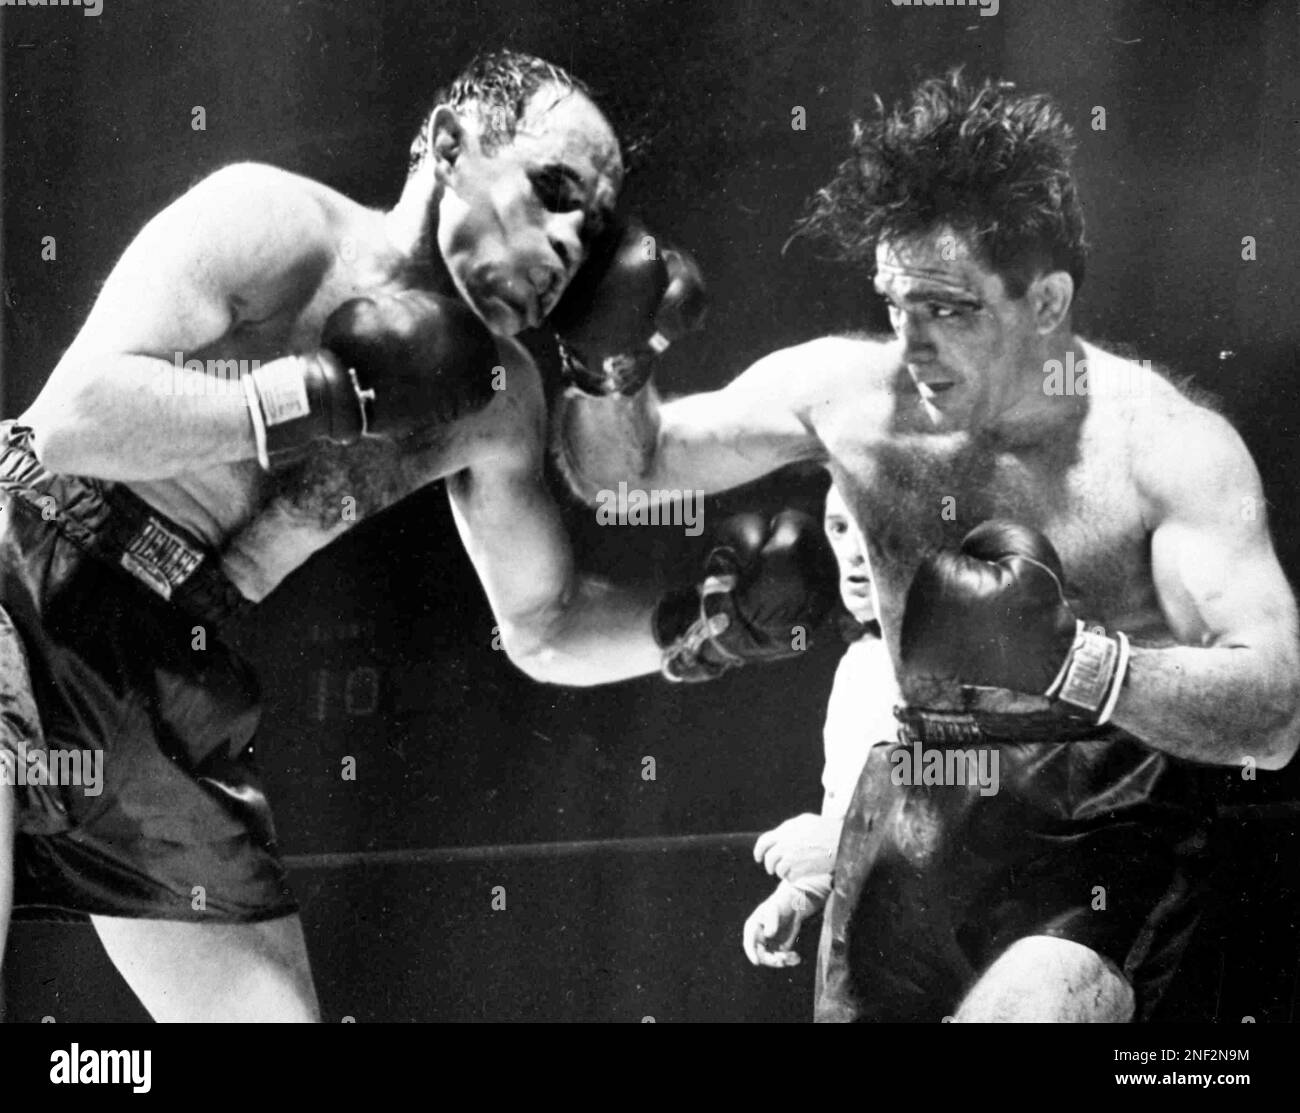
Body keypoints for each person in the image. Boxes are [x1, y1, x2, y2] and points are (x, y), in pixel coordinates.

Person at [545, 71, 1300, 1021]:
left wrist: (1081, 663)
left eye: (950, 306)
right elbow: (624, 474)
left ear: (1048, 301)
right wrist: (605, 364)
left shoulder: (1163, 449)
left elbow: (1275, 711)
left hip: (1102, 816)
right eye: (897, 302)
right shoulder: (851, 400)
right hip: (917, 792)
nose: (915, 341)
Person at [0, 48, 709, 1021]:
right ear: (451, 143)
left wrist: (693, 626)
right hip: (27, 563)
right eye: (549, 190)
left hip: (177, 659)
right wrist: (321, 398)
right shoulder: (272, 221)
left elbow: (541, 624)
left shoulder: (500, 400)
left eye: (588, 229)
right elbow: (69, 423)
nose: (562, 246)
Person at [742, 485, 898, 971]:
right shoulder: (858, 666)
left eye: (870, 527)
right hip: (873, 952)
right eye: (838, 528)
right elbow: (843, 813)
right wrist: (800, 894)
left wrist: (847, 845)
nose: (852, 552)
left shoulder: (969, 659)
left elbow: (987, 800)